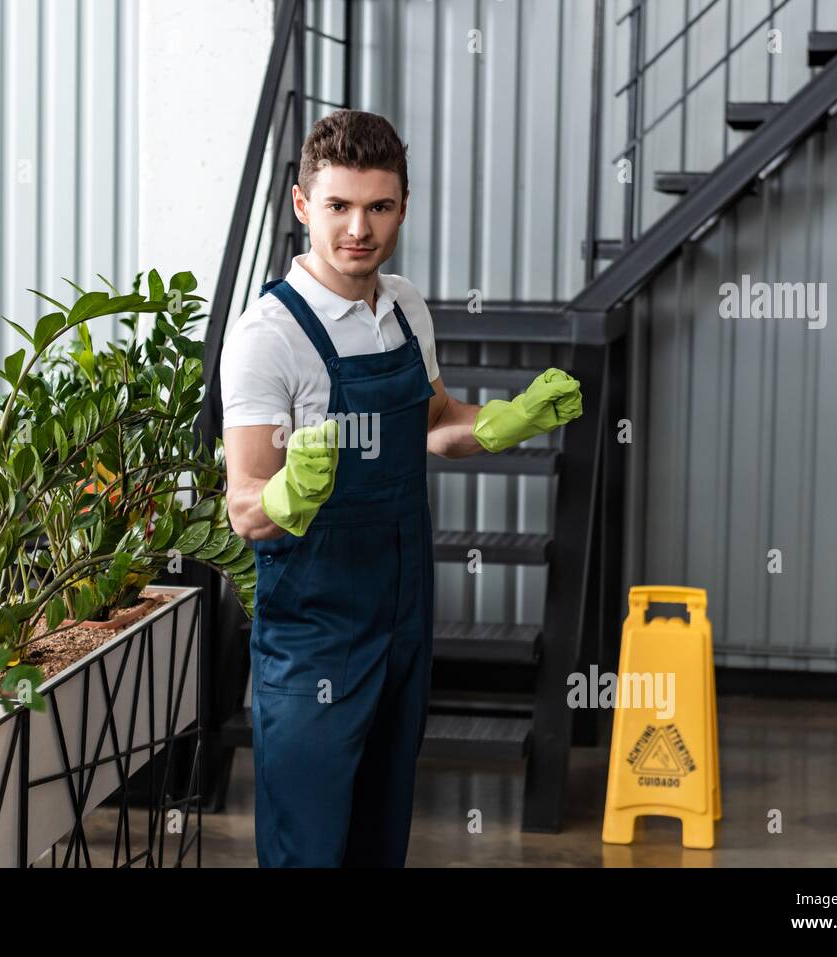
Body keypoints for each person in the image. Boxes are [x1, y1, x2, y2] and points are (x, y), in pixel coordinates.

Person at [220, 109, 583, 868]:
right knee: (309, 844)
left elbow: (437, 420)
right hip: (314, 626)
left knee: (380, 835)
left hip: (402, 609)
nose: (360, 228)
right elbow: (246, 502)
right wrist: (286, 497)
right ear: (300, 205)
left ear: (403, 207)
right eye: (339, 206)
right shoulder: (267, 337)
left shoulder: (406, 307)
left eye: (379, 207)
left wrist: (502, 422)